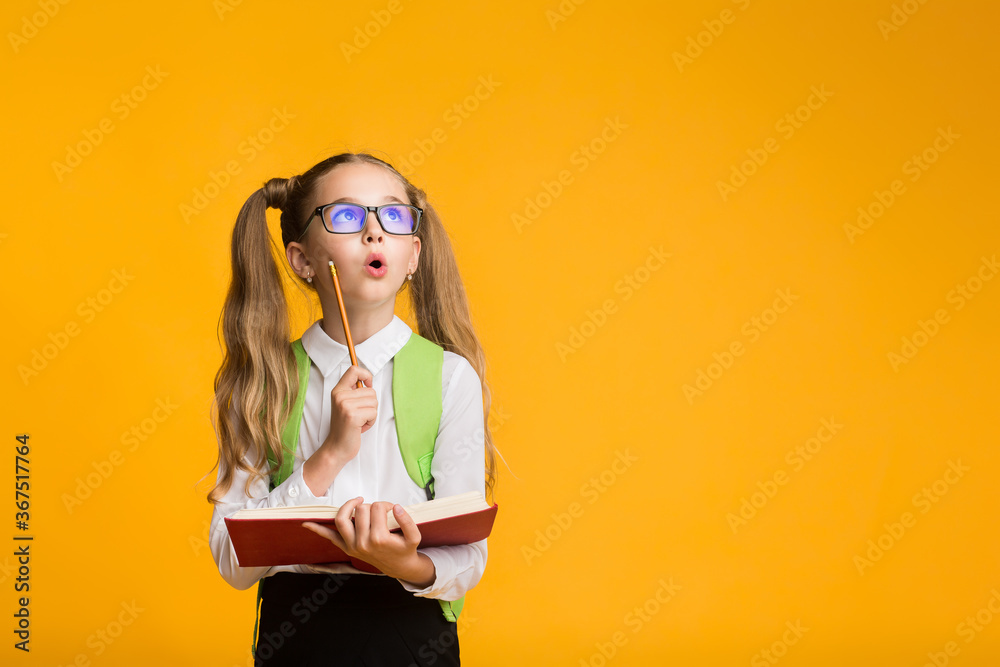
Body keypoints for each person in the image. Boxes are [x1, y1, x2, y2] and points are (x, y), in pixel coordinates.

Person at [205, 152, 498, 666]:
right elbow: (233, 561)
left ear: (413, 255)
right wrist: (330, 454)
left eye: (393, 215)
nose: (373, 232)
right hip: (295, 637)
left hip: (410, 635)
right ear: (302, 260)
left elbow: (468, 558)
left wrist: (404, 563)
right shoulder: (264, 382)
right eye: (345, 215)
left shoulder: (450, 378)